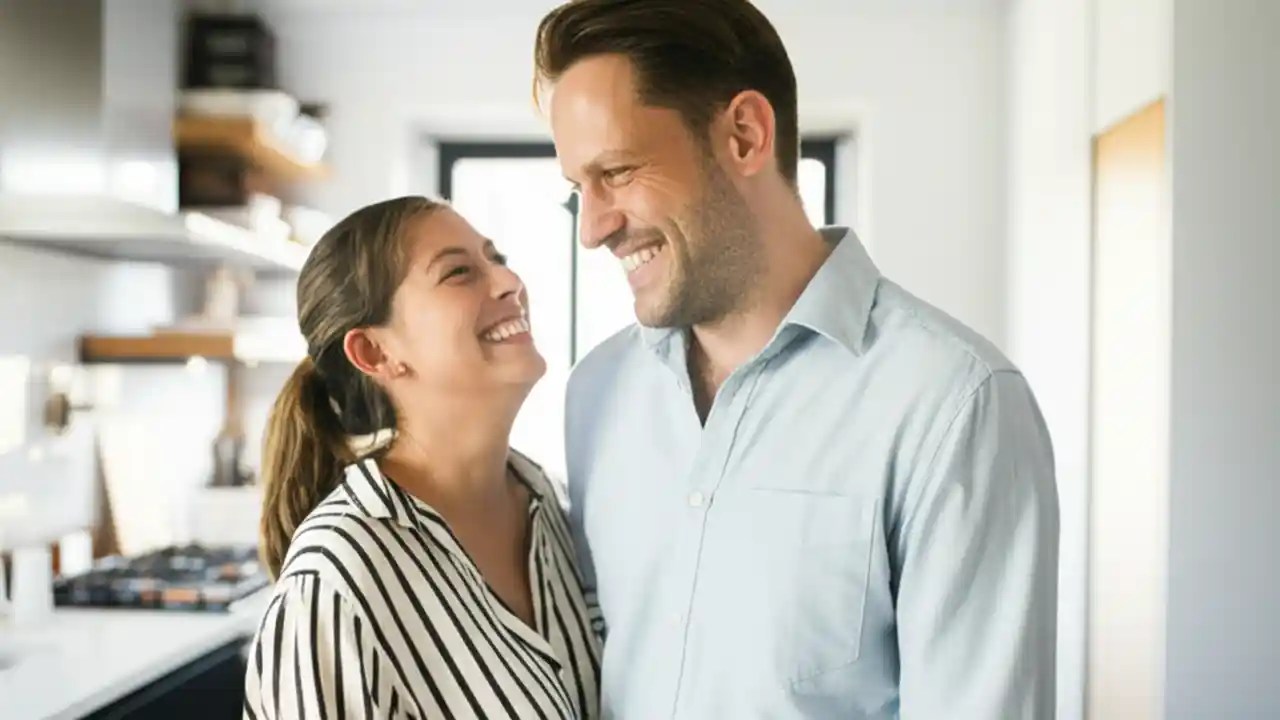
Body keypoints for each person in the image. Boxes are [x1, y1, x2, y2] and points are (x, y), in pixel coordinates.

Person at [535, 1, 1059, 718]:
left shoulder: (953, 404)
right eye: (578, 190)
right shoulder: (596, 394)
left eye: (618, 172)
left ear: (744, 136)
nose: (592, 228)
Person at [242, 197, 601, 719]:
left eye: (495, 258)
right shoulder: (334, 582)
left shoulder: (546, 502)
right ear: (375, 353)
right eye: (459, 273)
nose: (508, 282)